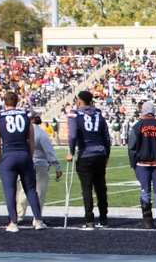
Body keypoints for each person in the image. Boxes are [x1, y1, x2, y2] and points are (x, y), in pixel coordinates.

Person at [0, 91, 46, 232]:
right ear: (17, 101)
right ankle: (38, 220)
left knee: (10, 190)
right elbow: (31, 140)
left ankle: (13, 222)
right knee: (31, 189)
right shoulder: (26, 115)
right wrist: (30, 156)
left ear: (4, 101)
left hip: (8, 155)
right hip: (24, 154)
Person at [66, 90, 112, 230]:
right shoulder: (98, 114)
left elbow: (73, 135)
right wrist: (107, 155)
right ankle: (103, 219)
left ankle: (89, 220)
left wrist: (71, 152)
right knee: (100, 187)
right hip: (100, 153)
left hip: (86, 153)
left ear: (79, 101)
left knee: (87, 188)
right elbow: (106, 137)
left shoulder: (75, 114)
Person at [127, 101, 156, 230]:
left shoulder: (137, 126)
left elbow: (131, 147)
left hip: (142, 163)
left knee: (145, 191)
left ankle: (147, 221)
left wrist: (133, 163)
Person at [17, 115, 62, 223]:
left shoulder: (21, 132)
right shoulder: (41, 133)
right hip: (39, 163)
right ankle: (37, 218)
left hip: (24, 163)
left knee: (23, 191)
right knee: (39, 192)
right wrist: (57, 166)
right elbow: (49, 151)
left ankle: (18, 216)